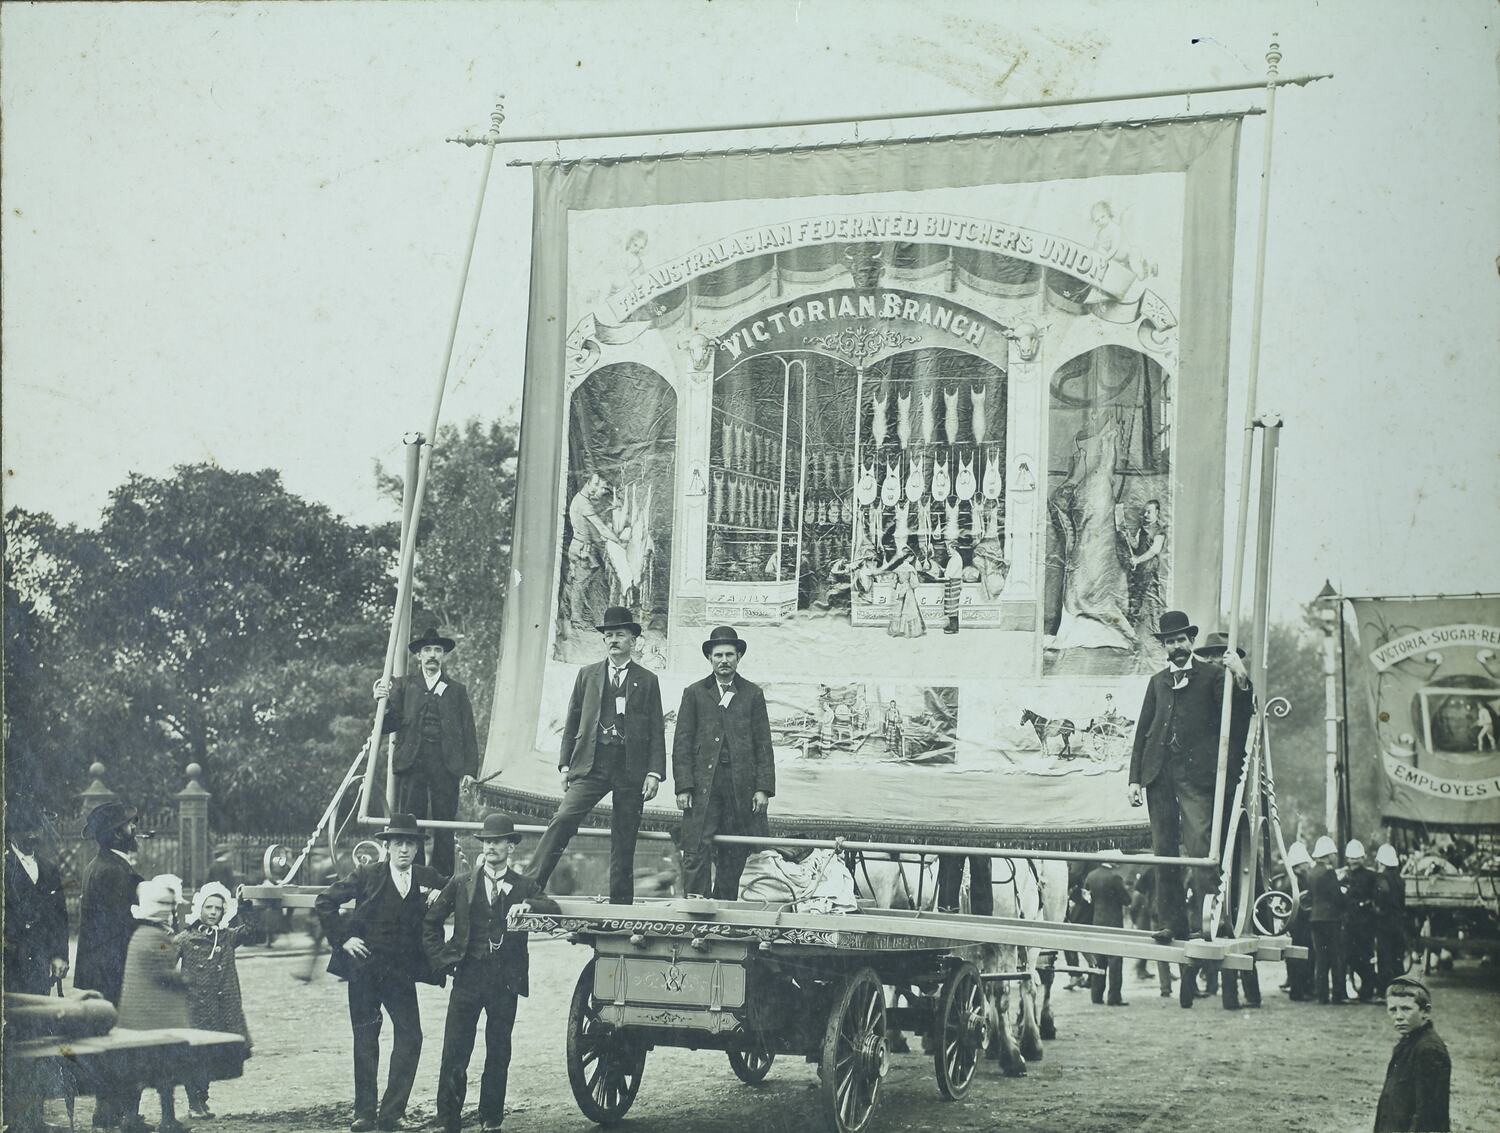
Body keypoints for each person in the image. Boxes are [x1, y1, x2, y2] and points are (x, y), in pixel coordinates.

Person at [423, 814, 557, 1133]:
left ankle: (491, 1119)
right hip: (467, 978)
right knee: (455, 1049)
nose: (492, 847)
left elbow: (553, 908)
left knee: (498, 1051)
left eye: (498, 842)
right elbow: (431, 922)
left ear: (510, 846)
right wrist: (443, 960)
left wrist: (530, 907)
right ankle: (448, 1120)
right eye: (487, 842)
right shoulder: (462, 882)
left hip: (504, 982)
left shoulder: (525, 886)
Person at [1128, 610, 1252, 953]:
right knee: (1163, 850)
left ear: (1191, 641)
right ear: (1164, 647)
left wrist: (1240, 678)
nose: (1177, 646)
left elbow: (1238, 717)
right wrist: (1134, 779)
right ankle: (1171, 923)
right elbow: (1143, 732)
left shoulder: (1212, 676)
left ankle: (1207, 921)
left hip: (1197, 777)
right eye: (1170, 642)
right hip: (1158, 775)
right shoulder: (1157, 682)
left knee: (1201, 848)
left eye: (1182, 640)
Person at [315, 814, 448, 1133]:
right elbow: (325, 901)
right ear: (387, 846)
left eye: (410, 843)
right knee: (365, 1037)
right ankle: (364, 1114)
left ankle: (392, 1113)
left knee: (411, 1036)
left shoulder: (427, 876)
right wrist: (343, 938)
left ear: (417, 848)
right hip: (365, 970)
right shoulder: (367, 874)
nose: (404, 850)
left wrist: (439, 900)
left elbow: (458, 894)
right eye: (398, 843)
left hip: (400, 973)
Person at [527, 606, 665, 904]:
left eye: (620, 635)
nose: (614, 640)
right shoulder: (587, 675)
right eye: (609, 635)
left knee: (624, 837)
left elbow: (656, 730)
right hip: (592, 764)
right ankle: (529, 886)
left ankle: (620, 907)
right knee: (563, 818)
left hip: (631, 768)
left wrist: (654, 773)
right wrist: (565, 766)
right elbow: (572, 722)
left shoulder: (648, 680)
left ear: (633, 640)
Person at [673, 626, 776, 900]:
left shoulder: (752, 695)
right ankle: (697, 916)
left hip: (739, 787)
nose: (724, 660)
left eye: (730, 654)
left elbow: (763, 745)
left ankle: (724, 914)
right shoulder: (694, 693)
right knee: (696, 848)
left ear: (739, 657)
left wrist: (762, 789)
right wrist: (683, 787)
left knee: (734, 851)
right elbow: (681, 743)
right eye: (718, 654)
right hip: (703, 786)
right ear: (710, 658)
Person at [373, 626, 480, 878]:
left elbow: (469, 732)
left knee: (445, 823)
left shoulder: (457, 690)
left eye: (437, 650)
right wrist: (380, 700)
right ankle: (415, 876)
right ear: (419, 656)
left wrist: (469, 770)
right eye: (427, 650)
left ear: (443, 655)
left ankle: (441, 881)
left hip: (446, 765)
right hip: (412, 764)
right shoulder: (404, 685)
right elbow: (388, 724)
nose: (432, 654)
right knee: (411, 823)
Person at [74, 801, 149, 1131]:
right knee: (125, 1042)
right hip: (117, 970)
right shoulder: (113, 872)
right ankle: (123, 1115)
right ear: (117, 834)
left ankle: (108, 1113)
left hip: (98, 969)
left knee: (108, 1041)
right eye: (130, 825)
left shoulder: (98, 866)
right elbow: (121, 925)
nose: (135, 829)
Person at [174, 882, 262, 1120]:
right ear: (199, 908)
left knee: (210, 1055)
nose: (213, 912)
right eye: (208, 907)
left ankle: (202, 1100)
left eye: (218, 908)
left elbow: (252, 930)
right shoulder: (185, 938)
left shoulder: (227, 937)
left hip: (220, 1006)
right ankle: (194, 1102)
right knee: (195, 1055)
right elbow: (164, 963)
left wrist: (245, 904)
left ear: (224, 911)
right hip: (194, 1006)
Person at [116, 875, 192, 1133]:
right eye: (164, 904)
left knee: (140, 1071)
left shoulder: (141, 933)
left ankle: (130, 1117)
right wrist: (186, 981)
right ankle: (167, 1120)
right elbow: (163, 973)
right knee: (164, 1071)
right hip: (153, 1018)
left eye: (171, 904)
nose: (169, 909)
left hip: (138, 1016)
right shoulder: (155, 936)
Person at [4, 802, 69, 997]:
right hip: (8, 964)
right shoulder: (4, 866)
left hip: (39, 964)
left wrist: (59, 956)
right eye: (27, 830)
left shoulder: (48, 869)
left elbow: (59, 917)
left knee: (39, 1018)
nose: (33, 835)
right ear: (12, 832)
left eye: (37, 829)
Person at [1374, 974, 1450, 1132]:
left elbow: (1428, 1116)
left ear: (1425, 1011)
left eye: (1406, 1009)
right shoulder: (1409, 1042)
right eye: (1393, 1010)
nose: (1398, 1017)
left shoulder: (1428, 1050)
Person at [1308, 835, 1349, 1005]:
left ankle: (1322, 995)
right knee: (1336, 957)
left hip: (1316, 917)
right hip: (1331, 919)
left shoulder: (1312, 872)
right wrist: (1345, 895)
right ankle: (1338, 995)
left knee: (1321, 958)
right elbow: (1337, 897)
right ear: (1328, 854)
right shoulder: (1329, 872)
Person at [1083, 861, 1129, 1006]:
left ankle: (1096, 996)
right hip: (1113, 922)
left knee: (1099, 959)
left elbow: (1086, 898)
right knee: (1115, 960)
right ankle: (1114, 997)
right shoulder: (1115, 877)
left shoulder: (1091, 876)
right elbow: (1127, 900)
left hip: (1097, 920)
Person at [1343, 839, 1381, 1003]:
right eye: (1351, 858)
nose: (1353, 861)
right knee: (1358, 957)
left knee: (1361, 957)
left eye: (1355, 858)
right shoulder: (1347, 875)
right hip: (1356, 922)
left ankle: (1367, 990)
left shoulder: (1367, 876)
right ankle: (1366, 989)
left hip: (1361, 922)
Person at [1122, 498, 1167, 626]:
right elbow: (1136, 545)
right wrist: (1127, 536)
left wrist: (1137, 559)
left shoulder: (1159, 532)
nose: (1146, 515)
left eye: (1149, 512)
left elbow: (1154, 551)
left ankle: (1157, 634)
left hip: (1150, 574)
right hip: (1139, 573)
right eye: (1145, 512)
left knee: (1152, 606)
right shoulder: (1142, 529)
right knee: (1135, 604)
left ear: (1157, 512)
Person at [1281, 841, 1316, 1002]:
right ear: (1299, 864)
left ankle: (1298, 988)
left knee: (1295, 958)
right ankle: (1300, 990)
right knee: (1302, 957)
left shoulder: (1289, 879)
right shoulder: (1298, 880)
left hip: (1293, 923)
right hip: (1301, 924)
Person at [1374, 843, 1408, 998]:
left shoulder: (1382, 878)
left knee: (1384, 957)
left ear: (1381, 862)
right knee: (1397, 957)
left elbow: (1382, 896)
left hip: (1384, 922)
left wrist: (1377, 909)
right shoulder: (1400, 880)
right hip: (1398, 922)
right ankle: (1401, 989)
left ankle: (1384, 991)